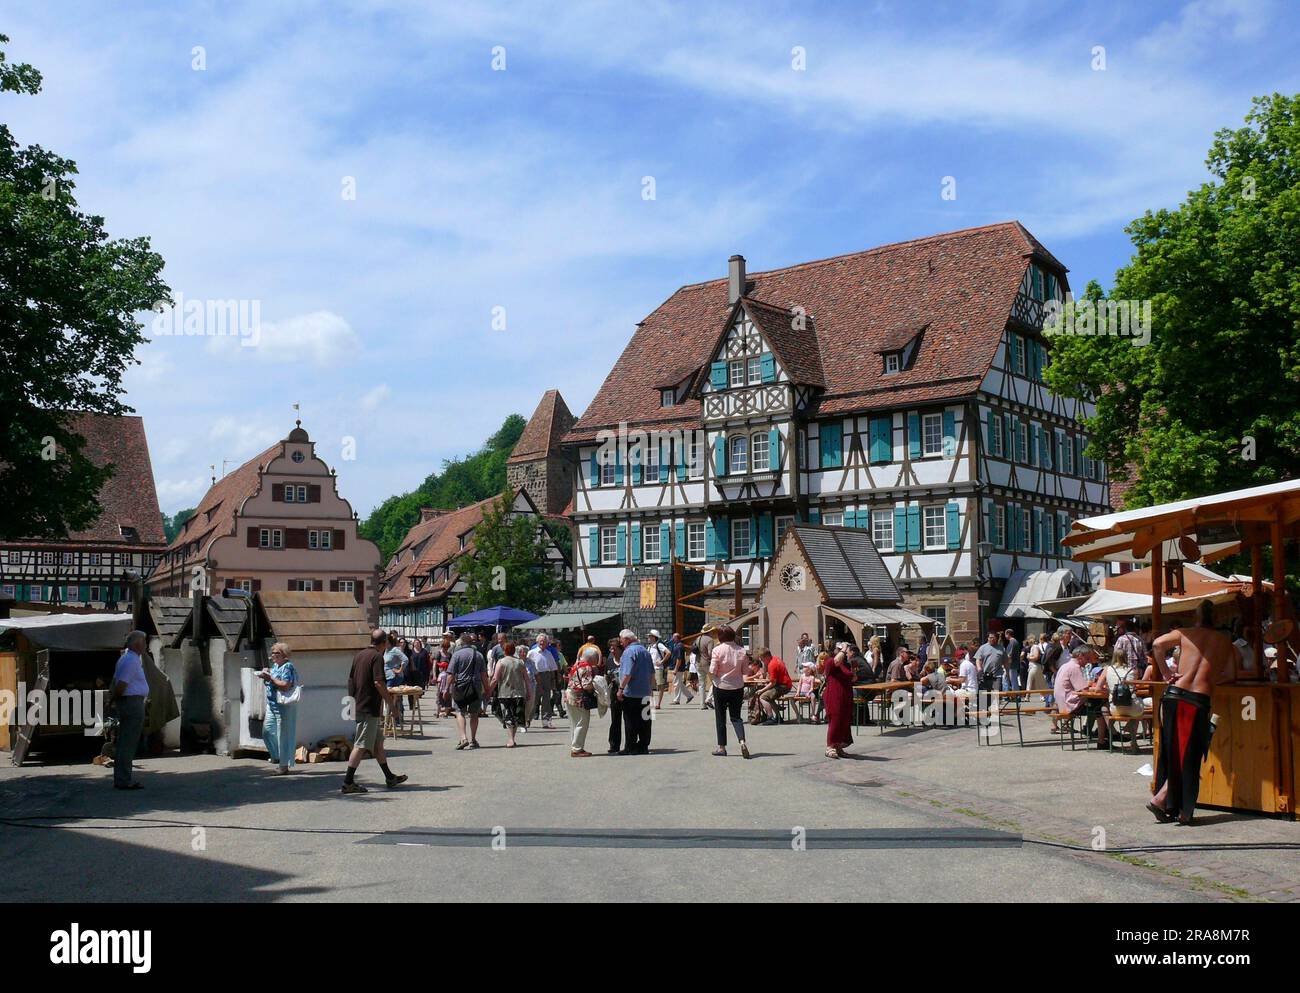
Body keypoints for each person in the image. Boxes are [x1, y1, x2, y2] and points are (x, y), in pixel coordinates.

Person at [1148, 601, 1233, 826]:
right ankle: (1177, 807)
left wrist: (1166, 673)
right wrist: (1212, 679)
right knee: (1191, 754)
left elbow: (1157, 644)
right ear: (1216, 618)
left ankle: (1167, 801)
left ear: (1196, 616)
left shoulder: (1185, 633)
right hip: (1198, 699)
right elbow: (1231, 673)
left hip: (1174, 694)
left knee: (1173, 751)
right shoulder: (1224, 642)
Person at [343, 629, 408, 794]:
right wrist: (392, 706)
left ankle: (389, 777)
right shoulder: (377, 656)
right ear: (385, 642)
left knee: (378, 743)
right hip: (368, 707)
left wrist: (351, 702)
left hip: (360, 705)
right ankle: (348, 782)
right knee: (361, 745)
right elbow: (378, 682)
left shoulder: (359, 655)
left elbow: (350, 680)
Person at [110, 631, 150, 790]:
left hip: (129, 702)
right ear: (137, 644)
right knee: (128, 742)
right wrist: (116, 698)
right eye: (144, 642)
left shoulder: (126, 658)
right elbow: (121, 685)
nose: (146, 646)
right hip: (132, 703)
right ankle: (124, 779)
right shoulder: (131, 660)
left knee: (125, 741)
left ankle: (121, 778)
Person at [1052, 642, 1106, 746]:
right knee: (1102, 706)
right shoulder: (1074, 667)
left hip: (1061, 703)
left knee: (1096, 705)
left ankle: (1103, 734)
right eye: (1087, 658)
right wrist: (1097, 688)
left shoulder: (1065, 665)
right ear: (1080, 656)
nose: (1088, 662)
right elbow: (1084, 690)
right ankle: (1102, 740)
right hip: (1070, 704)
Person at [257, 641, 299, 775]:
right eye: (273, 652)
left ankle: (283, 766)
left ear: (285, 655)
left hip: (283, 705)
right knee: (267, 731)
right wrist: (267, 675)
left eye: (277, 653)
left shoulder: (288, 667)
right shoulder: (275, 666)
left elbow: (285, 685)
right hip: (272, 704)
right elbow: (272, 681)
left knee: (283, 735)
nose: (273, 655)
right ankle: (277, 757)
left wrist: (270, 678)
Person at [709, 625, 751, 758]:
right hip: (737, 687)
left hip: (721, 686)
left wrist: (715, 677)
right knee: (736, 717)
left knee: (720, 717)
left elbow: (712, 670)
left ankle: (722, 747)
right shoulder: (742, 651)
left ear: (721, 637)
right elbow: (746, 671)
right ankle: (742, 741)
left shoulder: (717, 650)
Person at [449, 631, 490, 749]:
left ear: (461, 642)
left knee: (459, 712)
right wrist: (487, 689)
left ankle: (463, 737)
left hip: (461, 685)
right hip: (476, 687)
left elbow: (451, 674)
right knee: (474, 714)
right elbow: (483, 675)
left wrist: (447, 688)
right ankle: (473, 740)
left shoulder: (457, 655)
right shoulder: (479, 655)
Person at [616, 629, 654, 754]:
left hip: (631, 692)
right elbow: (652, 673)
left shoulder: (629, 652)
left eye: (621, 639)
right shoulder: (645, 651)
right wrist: (651, 689)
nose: (620, 642)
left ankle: (630, 746)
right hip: (645, 691)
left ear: (627, 639)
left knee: (630, 720)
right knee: (645, 720)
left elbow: (627, 673)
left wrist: (621, 689)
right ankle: (643, 746)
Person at [489, 639, 527, 748]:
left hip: (505, 693)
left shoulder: (501, 662)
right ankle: (512, 738)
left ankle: (511, 739)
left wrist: (488, 691)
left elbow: (495, 678)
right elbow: (527, 679)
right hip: (519, 693)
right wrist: (529, 692)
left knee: (508, 716)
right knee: (515, 716)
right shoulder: (520, 662)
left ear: (504, 650)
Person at [566, 643, 601, 757]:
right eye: (596, 658)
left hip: (569, 695)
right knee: (582, 722)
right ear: (591, 658)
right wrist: (597, 687)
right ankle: (577, 749)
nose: (597, 661)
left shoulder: (576, 664)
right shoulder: (586, 667)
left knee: (574, 723)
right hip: (579, 698)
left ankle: (575, 745)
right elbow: (586, 685)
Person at [822, 647, 856, 759]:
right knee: (835, 720)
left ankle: (838, 746)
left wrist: (854, 669)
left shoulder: (845, 665)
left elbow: (853, 678)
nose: (845, 654)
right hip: (834, 696)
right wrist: (844, 648)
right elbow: (836, 661)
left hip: (846, 697)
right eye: (842, 652)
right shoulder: (830, 662)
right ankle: (830, 746)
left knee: (844, 721)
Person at [754, 647, 792, 726]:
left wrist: (761, 690)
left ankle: (770, 717)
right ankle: (778, 717)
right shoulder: (775, 658)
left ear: (766, 657)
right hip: (785, 684)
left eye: (762, 659)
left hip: (783, 686)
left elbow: (772, 683)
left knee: (763, 697)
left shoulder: (772, 665)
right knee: (769, 697)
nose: (762, 661)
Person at [529, 633, 559, 729]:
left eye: (544, 641)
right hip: (535, 677)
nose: (542, 642)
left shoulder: (548, 653)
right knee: (534, 700)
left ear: (547, 643)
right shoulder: (532, 653)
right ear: (537, 642)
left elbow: (553, 668)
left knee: (546, 700)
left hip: (546, 676)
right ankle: (527, 720)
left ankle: (546, 722)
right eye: (540, 641)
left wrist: (554, 681)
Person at [383, 631, 408, 728]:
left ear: (388, 642)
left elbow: (405, 659)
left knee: (391, 699)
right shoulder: (386, 650)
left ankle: (394, 719)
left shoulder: (395, 650)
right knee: (390, 699)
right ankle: (391, 720)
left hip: (393, 677)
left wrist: (400, 669)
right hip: (387, 677)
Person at [605, 636, 625, 753]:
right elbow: (606, 676)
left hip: (626, 694)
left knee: (628, 720)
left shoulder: (626, 660)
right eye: (610, 649)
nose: (612, 651)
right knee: (615, 721)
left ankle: (629, 744)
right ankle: (614, 745)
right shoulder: (609, 661)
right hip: (614, 694)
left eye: (614, 648)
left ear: (620, 648)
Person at [646, 630, 670, 710]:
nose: (648, 638)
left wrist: (661, 661)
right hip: (650, 669)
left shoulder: (659, 645)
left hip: (658, 669)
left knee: (660, 686)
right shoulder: (649, 647)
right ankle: (652, 703)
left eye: (650, 636)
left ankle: (658, 704)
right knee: (649, 687)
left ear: (654, 637)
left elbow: (668, 653)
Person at [694, 625, 716, 709]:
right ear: (709, 631)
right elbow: (710, 653)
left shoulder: (698, 638)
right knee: (715, 682)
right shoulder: (710, 640)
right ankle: (709, 699)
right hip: (707, 663)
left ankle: (702, 704)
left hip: (698, 662)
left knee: (701, 684)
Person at [669, 632, 694, 705]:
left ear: (676, 638)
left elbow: (679, 659)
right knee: (679, 683)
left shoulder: (679, 646)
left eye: (673, 637)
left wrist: (676, 669)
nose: (672, 638)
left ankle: (676, 700)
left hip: (679, 668)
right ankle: (689, 696)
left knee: (676, 684)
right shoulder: (676, 645)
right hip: (678, 667)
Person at [1001, 627, 1022, 692]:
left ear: (1008, 634)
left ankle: (1015, 695)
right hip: (1011, 665)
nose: (1005, 636)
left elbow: (1009, 655)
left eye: (1005, 634)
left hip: (1011, 665)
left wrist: (1005, 663)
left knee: (1013, 680)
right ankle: (1010, 694)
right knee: (1009, 679)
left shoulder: (1012, 642)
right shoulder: (1013, 642)